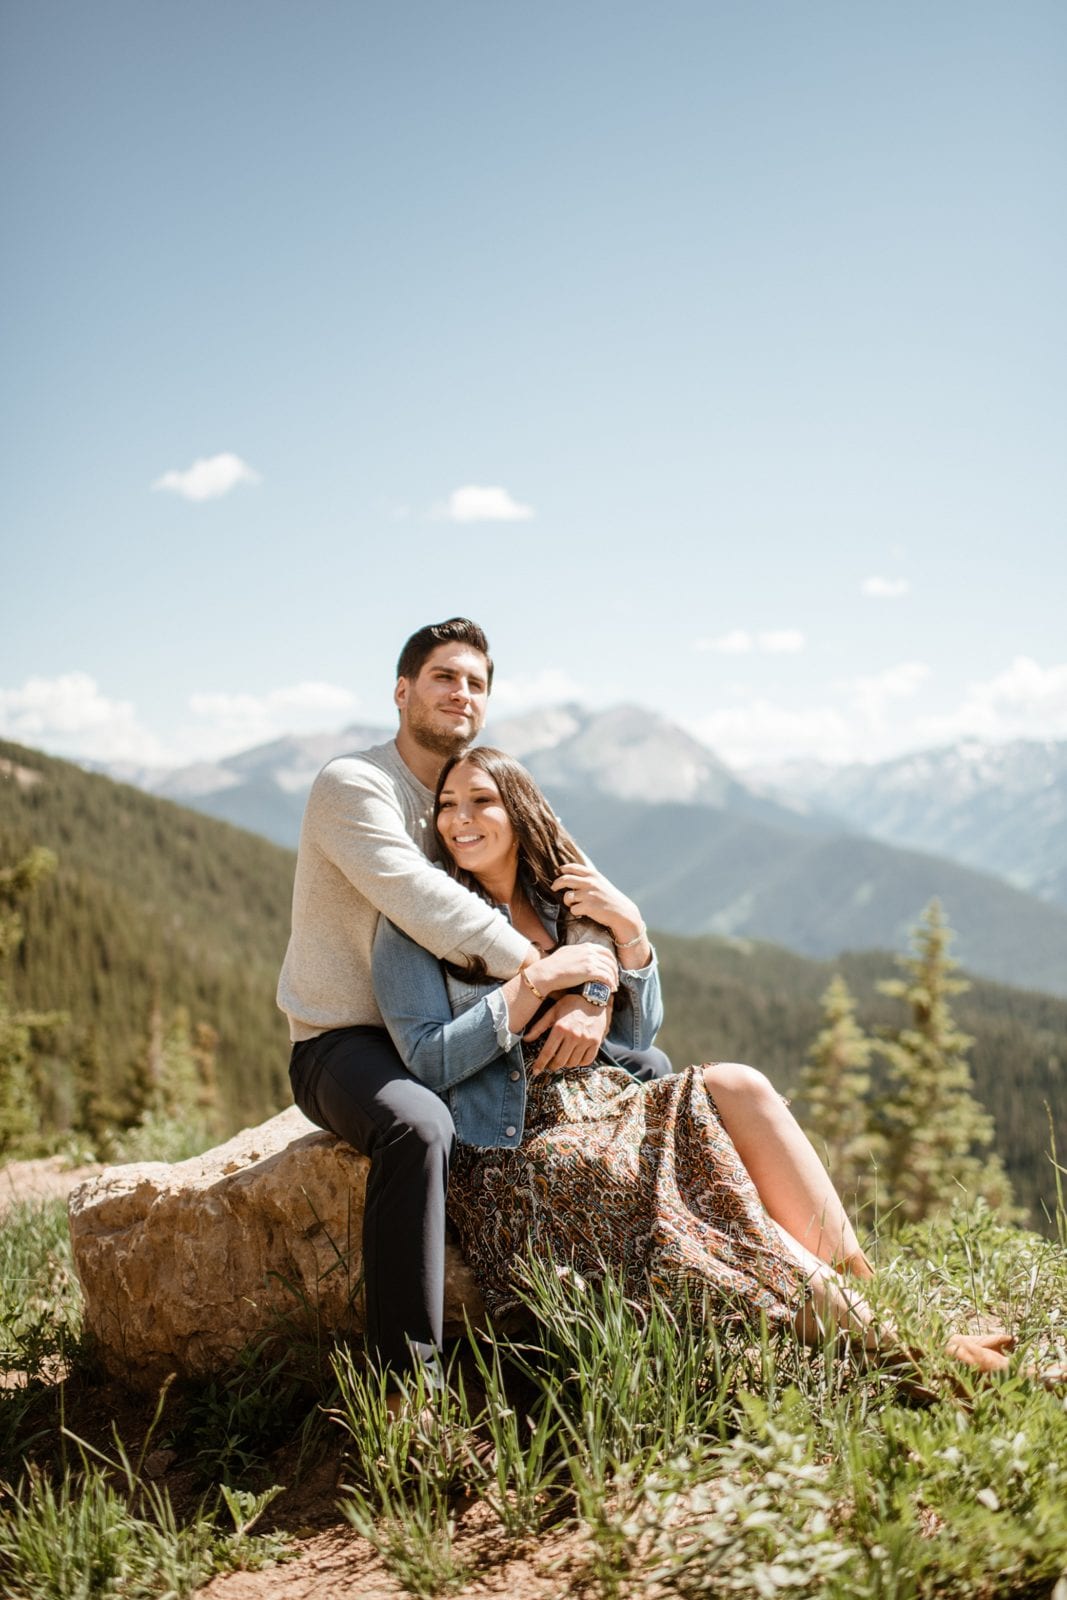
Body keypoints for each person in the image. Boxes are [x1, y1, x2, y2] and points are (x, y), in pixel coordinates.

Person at [372, 746, 1019, 1383]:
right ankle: (917, 1352)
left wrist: (629, 936)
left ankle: (872, 1296)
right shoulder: (418, 921)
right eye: (447, 805)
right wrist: (534, 985)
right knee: (713, 1202)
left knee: (738, 1083)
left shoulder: (560, 902)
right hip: (519, 1142)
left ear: (520, 812)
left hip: (606, 1104)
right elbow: (427, 1060)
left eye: (480, 801)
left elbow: (635, 1029)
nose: (459, 818)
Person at [278, 617, 656, 1403]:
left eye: (476, 683)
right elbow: (424, 904)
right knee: (416, 1126)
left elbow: (569, 875)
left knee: (645, 1066)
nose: (461, 694)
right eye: (444, 677)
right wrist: (548, 975)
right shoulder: (355, 786)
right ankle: (405, 1387)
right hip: (346, 1038)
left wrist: (593, 994)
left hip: (456, 1020)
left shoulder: (482, 783)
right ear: (402, 691)